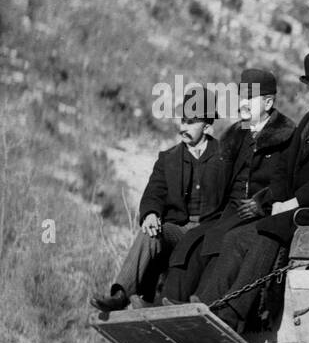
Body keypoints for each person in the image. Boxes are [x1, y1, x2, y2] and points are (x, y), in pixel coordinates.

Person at [197, 49, 309, 332]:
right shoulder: (306, 122)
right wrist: (278, 198)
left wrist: (294, 202)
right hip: (299, 206)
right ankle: (205, 306)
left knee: (272, 230)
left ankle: (234, 314)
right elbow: (283, 170)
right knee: (235, 237)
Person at [163, 67, 295, 303]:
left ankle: (202, 302)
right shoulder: (235, 134)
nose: (242, 103)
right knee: (193, 240)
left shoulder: (286, 135)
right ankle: (167, 302)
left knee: (221, 238)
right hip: (230, 211)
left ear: (267, 103)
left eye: (249, 98)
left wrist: (262, 202)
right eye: (241, 97)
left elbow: (287, 183)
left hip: (261, 214)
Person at [92, 104, 230, 313]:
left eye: (191, 122)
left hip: (211, 229)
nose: (184, 126)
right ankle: (121, 294)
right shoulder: (168, 158)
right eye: (183, 121)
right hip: (180, 228)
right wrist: (150, 214)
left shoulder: (225, 157)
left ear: (208, 126)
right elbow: (153, 193)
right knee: (150, 234)